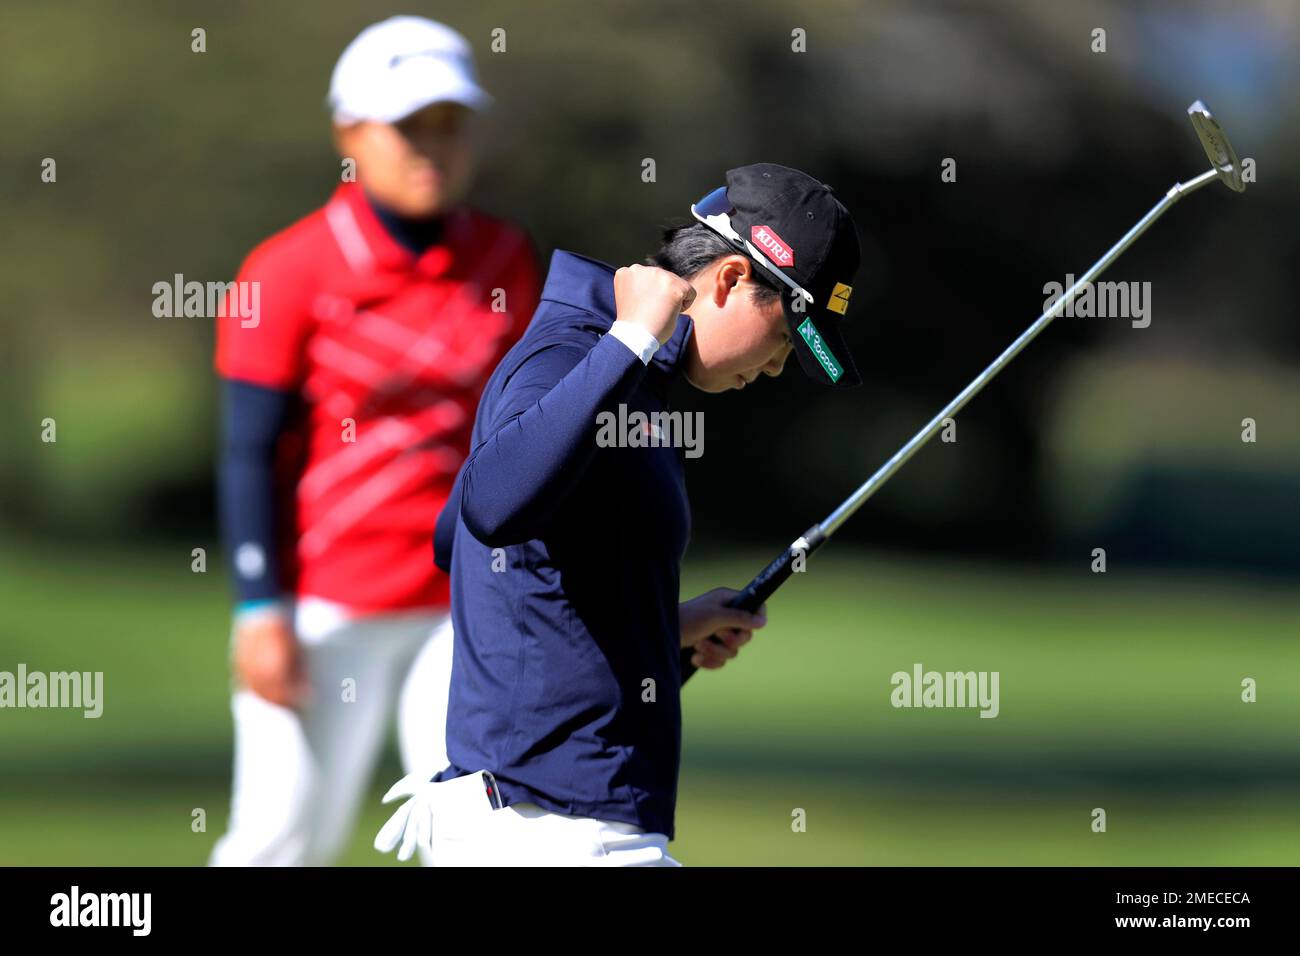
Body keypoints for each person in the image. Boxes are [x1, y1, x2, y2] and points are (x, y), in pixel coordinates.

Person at [375, 163, 862, 865]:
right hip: (557, 831)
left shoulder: (622, 377)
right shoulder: (581, 352)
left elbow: (465, 547)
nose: (780, 365)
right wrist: (631, 339)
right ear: (727, 280)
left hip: (549, 824)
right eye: (786, 335)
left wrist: (662, 627)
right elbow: (487, 509)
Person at [209, 16, 540, 867]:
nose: (432, 148)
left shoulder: (507, 262)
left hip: (464, 604)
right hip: (326, 605)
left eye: (450, 125)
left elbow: (533, 434)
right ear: (348, 133)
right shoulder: (285, 271)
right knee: (283, 838)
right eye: (407, 127)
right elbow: (248, 450)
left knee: (478, 841)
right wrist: (257, 609)